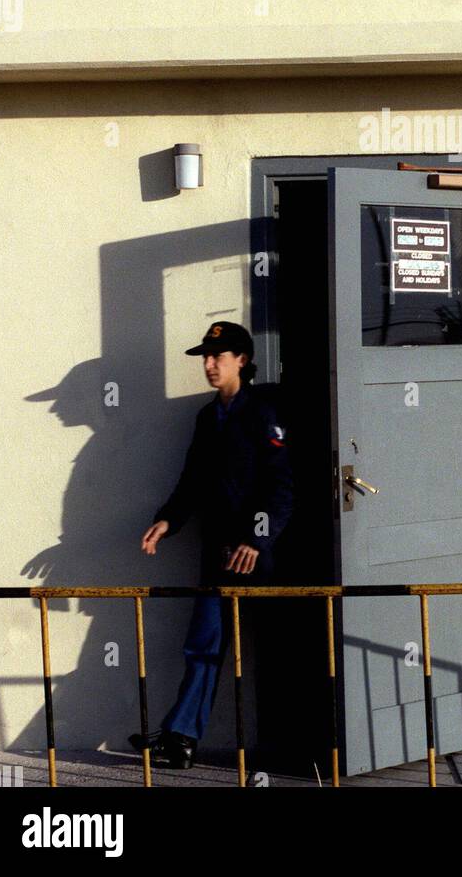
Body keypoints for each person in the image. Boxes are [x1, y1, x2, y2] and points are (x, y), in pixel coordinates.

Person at [129, 321, 293, 770]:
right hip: (219, 553)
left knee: (284, 646)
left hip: (260, 557)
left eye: (217, 357)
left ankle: (309, 746)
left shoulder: (264, 411)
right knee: (203, 643)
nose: (208, 365)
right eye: (205, 357)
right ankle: (180, 739)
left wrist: (257, 540)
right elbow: (193, 482)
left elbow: (281, 485)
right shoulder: (208, 416)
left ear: (242, 359)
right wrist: (168, 520)